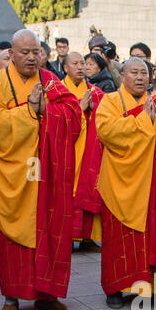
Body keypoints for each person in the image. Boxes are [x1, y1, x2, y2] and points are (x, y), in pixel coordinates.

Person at [0, 29, 82, 310]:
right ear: (11, 54)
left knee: (48, 230)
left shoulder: (50, 81)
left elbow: (73, 114)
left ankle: (47, 295)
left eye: (36, 52)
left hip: (45, 172)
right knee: (10, 241)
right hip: (10, 173)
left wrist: (46, 108)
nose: (32, 57)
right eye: (25, 52)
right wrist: (29, 111)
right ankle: (11, 297)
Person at [94, 57, 156, 307]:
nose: (140, 77)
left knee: (153, 233)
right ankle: (116, 288)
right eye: (134, 72)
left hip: (153, 182)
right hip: (119, 181)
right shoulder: (110, 101)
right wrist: (145, 121)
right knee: (119, 238)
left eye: (144, 73)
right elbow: (106, 131)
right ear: (122, 76)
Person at [63, 52, 103, 250]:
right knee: (67, 192)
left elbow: (106, 114)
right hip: (68, 150)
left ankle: (87, 238)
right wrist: (80, 108)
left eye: (83, 63)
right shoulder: (58, 91)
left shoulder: (96, 92)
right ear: (65, 68)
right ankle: (66, 237)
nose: (81, 67)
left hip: (89, 151)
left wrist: (95, 108)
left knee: (89, 189)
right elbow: (54, 120)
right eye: (75, 63)